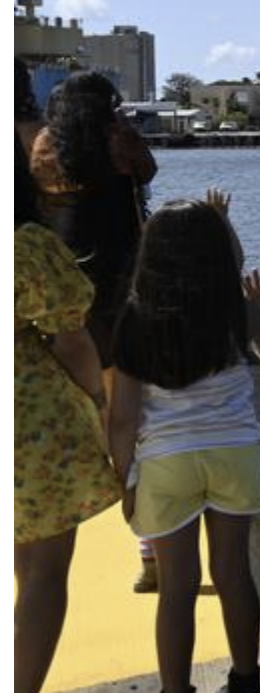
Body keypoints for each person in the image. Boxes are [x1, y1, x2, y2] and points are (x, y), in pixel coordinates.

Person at [109, 197, 260, 693]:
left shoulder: (135, 317)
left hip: (166, 462)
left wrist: (122, 478)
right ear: (221, 256)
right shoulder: (237, 311)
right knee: (234, 574)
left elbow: (123, 418)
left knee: (177, 588)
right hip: (233, 455)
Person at [30, 72, 159, 591]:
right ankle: (149, 548)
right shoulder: (119, 139)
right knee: (135, 421)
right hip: (125, 285)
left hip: (65, 294)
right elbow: (147, 172)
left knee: (99, 419)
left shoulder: (45, 145)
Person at [15, 140, 120, 693]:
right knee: (44, 570)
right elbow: (72, 341)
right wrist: (99, 400)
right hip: (31, 426)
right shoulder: (25, 246)